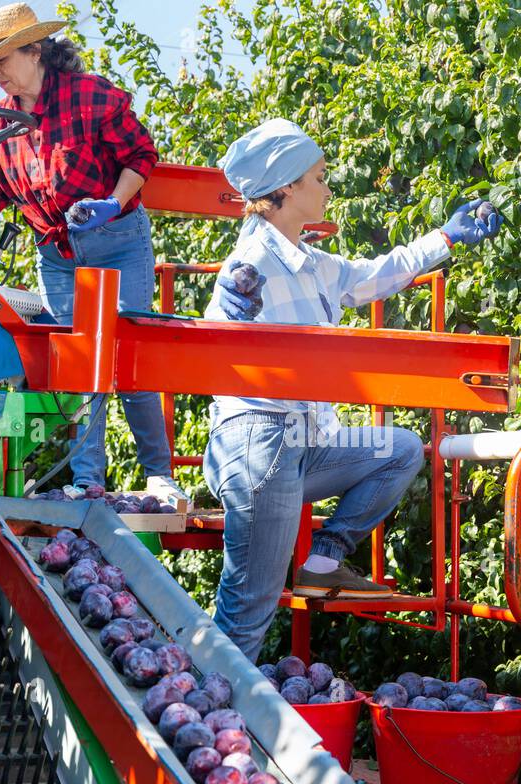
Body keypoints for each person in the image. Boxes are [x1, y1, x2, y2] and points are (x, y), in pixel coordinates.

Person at [202, 118, 502, 662]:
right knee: (249, 609)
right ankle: (207, 723)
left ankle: (322, 561)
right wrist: (228, 304)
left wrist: (447, 237)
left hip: (302, 446)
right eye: (319, 176)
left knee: (401, 448)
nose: (327, 187)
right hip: (259, 445)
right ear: (286, 186)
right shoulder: (250, 262)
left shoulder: (311, 263)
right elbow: (218, 316)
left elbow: (376, 273)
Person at [0, 3, 181, 498]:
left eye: (2, 59)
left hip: (117, 242)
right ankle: (86, 482)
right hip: (57, 255)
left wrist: (110, 203)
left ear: (35, 51)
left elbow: (141, 155)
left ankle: (160, 477)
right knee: (79, 365)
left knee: (130, 356)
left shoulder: (90, 96)